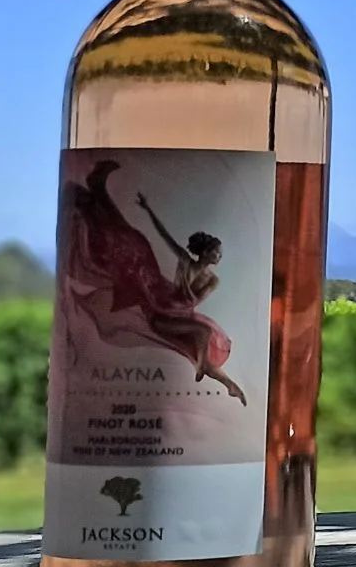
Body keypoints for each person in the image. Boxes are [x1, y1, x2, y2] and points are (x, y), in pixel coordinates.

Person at [62, 159, 245, 403]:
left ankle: (225, 381)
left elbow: (188, 302)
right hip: (157, 296)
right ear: (206, 252)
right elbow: (165, 236)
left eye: (220, 254)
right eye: (216, 252)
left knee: (203, 336)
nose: (219, 257)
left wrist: (177, 284)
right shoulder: (185, 261)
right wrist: (148, 210)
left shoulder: (212, 280)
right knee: (134, 241)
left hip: (168, 314)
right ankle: (98, 192)